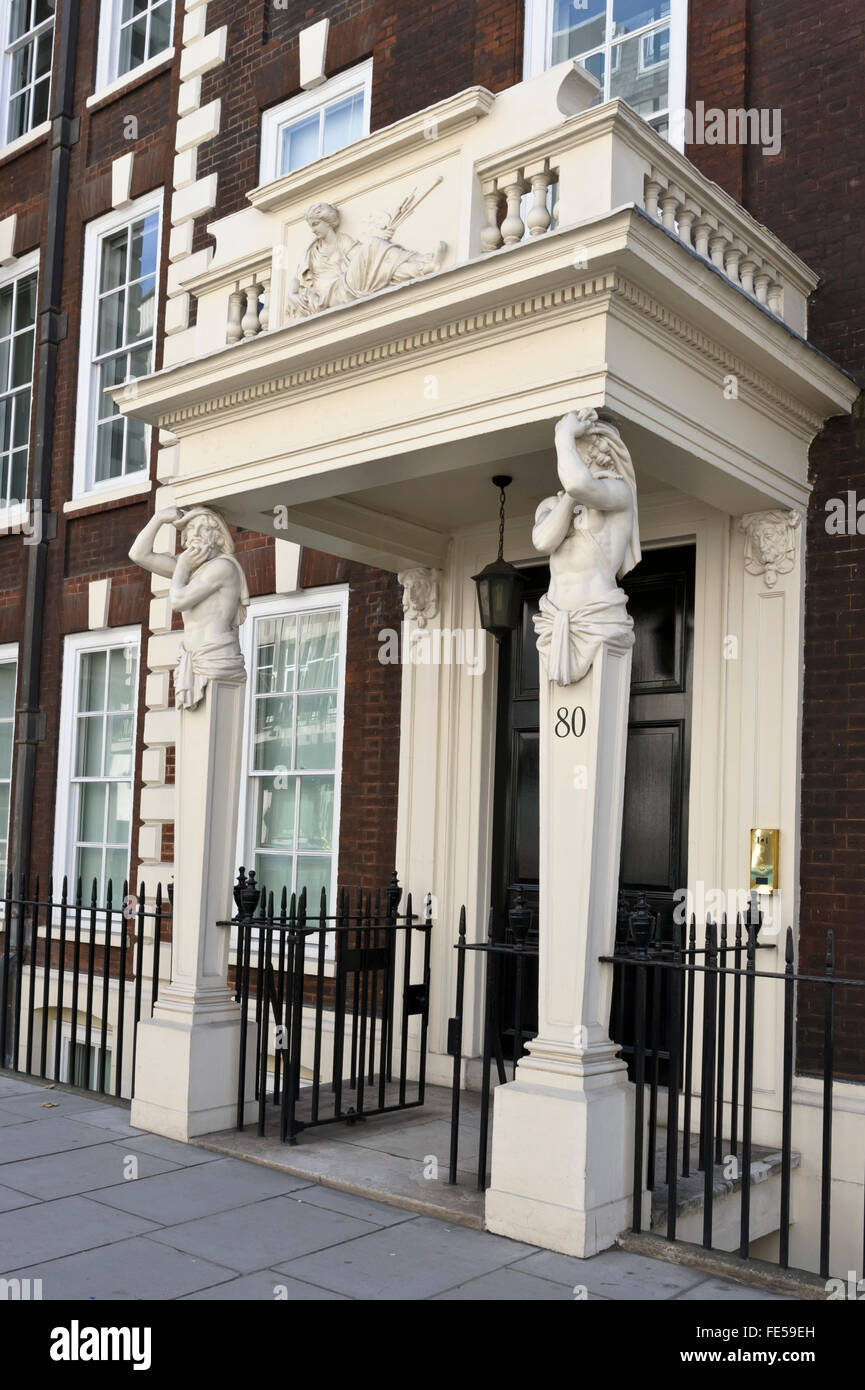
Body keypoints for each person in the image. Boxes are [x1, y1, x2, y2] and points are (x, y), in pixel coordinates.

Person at [532, 409, 641, 685]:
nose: (566, 459)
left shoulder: (618, 494)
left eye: (573, 451)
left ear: (595, 454)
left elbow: (579, 483)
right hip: (554, 622)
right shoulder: (552, 505)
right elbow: (542, 542)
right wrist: (570, 499)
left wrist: (563, 434)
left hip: (598, 619)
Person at [129, 506, 249, 710]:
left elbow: (178, 601)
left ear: (218, 537)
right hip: (191, 658)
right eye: (191, 528)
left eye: (202, 528)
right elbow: (138, 554)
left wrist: (182, 567)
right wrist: (158, 519)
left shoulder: (222, 567)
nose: (194, 534)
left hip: (214, 656)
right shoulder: (191, 567)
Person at [286, 202, 446, 318]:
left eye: (315, 224)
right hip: (331, 296)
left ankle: (424, 268)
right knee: (374, 245)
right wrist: (293, 294)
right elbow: (297, 280)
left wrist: (380, 240)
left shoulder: (343, 241)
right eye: (311, 226)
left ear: (328, 223)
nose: (313, 230)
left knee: (381, 265)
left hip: (346, 285)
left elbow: (362, 257)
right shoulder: (311, 251)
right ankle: (422, 266)